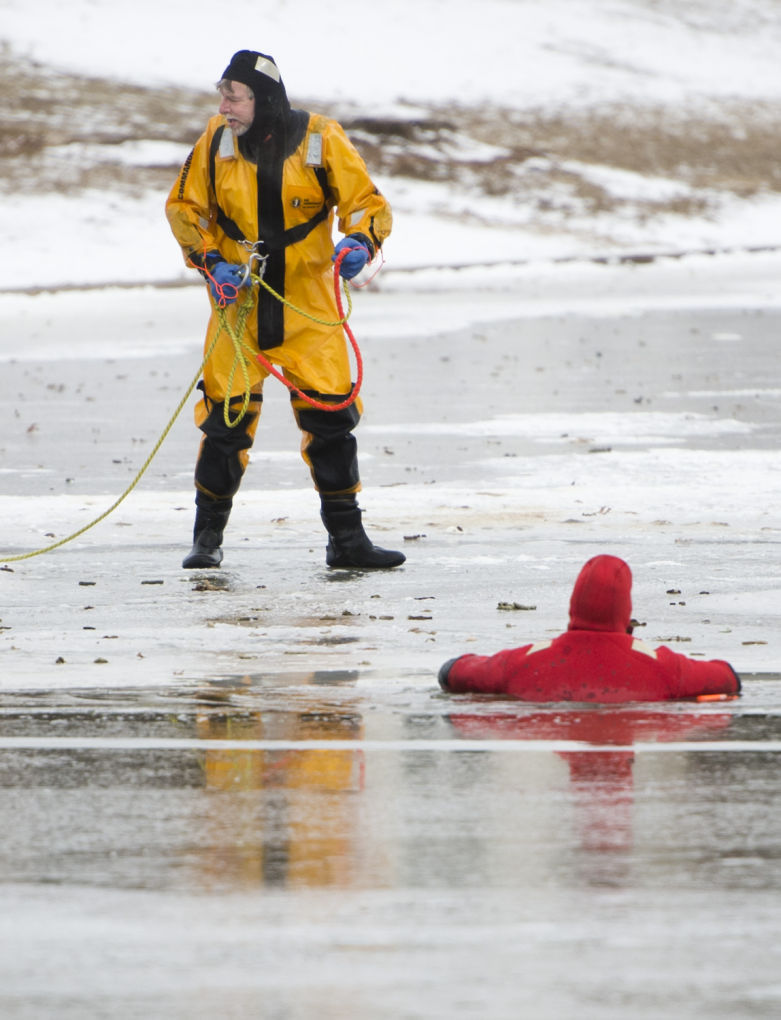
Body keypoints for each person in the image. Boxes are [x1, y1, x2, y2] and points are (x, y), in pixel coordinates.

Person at [166, 50, 405, 571]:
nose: (224, 106)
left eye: (234, 96)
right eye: (222, 95)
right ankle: (206, 539)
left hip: (307, 311)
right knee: (226, 426)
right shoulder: (215, 141)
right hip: (239, 309)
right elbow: (184, 208)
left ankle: (347, 540)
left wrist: (361, 241)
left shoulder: (322, 139)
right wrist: (211, 261)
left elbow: (367, 203)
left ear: (264, 99)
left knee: (331, 423)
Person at [438, 554, 741, 702]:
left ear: (575, 602)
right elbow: (728, 678)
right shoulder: (665, 668)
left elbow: (452, 673)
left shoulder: (523, 662)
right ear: (626, 607)